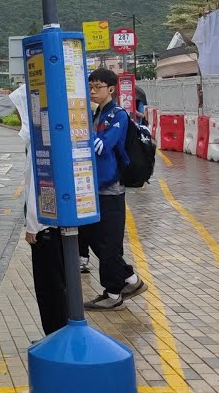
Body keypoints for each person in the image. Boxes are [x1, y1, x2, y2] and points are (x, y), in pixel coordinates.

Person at [83, 68, 147, 310]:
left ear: (111, 89)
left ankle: (113, 294)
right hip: (94, 187)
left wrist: (82, 133)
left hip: (111, 188)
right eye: (90, 87)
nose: (92, 92)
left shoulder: (117, 115)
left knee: (109, 244)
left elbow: (102, 146)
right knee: (92, 237)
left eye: (97, 87)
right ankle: (130, 279)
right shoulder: (96, 114)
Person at [11, 84, 68, 336]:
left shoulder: (40, 141)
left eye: (17, 108)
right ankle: (58, 332)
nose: (15, 115)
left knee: (49, 288)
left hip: (45, 229)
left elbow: (40, 184)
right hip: (55, 226)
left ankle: (55, 335)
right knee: (56, 286)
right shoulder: (50, 133)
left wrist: (33, 225)